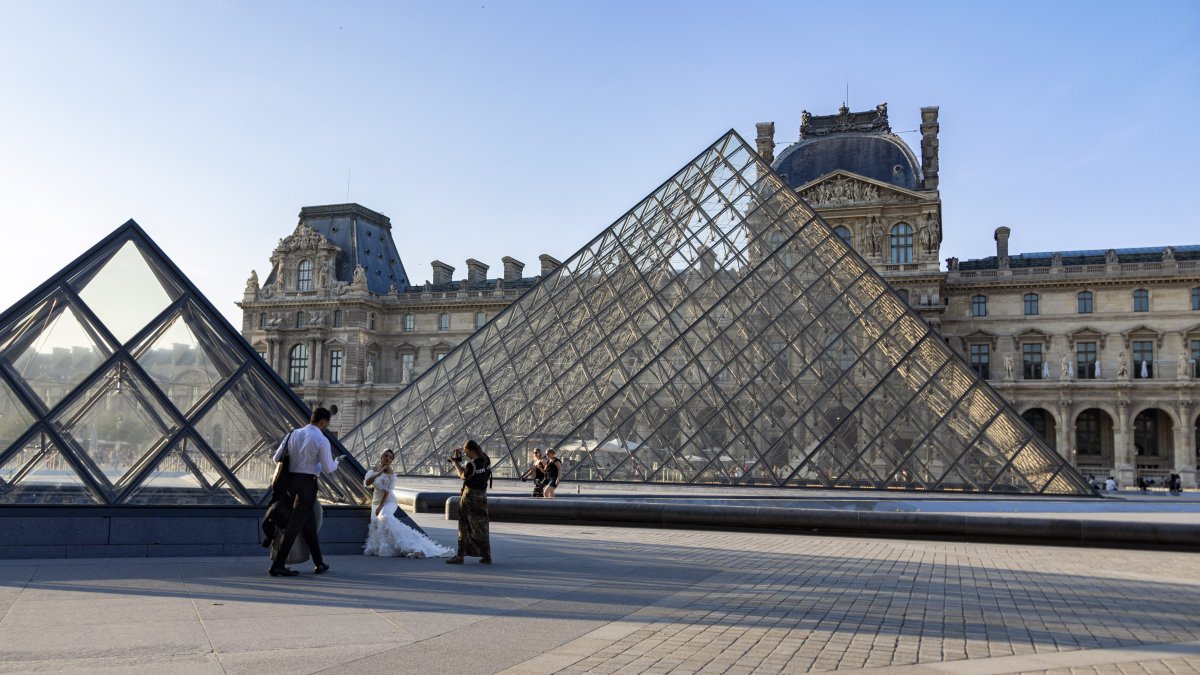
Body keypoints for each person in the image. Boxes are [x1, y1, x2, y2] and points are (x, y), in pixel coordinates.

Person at [269, 407, 341, 577]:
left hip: (289, 483)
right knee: (295, 525)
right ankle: (278, 564)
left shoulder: (293, 434)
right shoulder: (321, 440)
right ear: (323, 422)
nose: (326, 427)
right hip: (307, 485)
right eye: (327, 424)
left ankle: (319, 563)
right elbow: (328, 468)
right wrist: (337, 462)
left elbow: (276, 458)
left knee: (309, 524)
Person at [363, 450, 452, 558]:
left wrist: (381, 506)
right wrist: (380, 472)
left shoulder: (390, 471)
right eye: (386, 456)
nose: (388, 458)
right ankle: (387, 547)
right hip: (375, 503)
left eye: (391, 457)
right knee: (376, 525)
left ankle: (412, 546)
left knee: (385, 516)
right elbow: (367, 482)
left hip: (388, 502)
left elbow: (387, 491)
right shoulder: (375, 470)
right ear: (381, 457)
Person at [446, 440, 492, 565]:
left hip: (470, 497)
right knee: (482, 527)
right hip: (482, 497)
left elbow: (462, 475)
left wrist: (455, 462)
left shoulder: (471, 465)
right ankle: (486, 555)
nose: (465, 454)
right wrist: (464, 449)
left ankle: (460, 556)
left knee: (464, 526)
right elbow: (480, 455)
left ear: (471, 450)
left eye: (466, 452)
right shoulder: (486, 460)